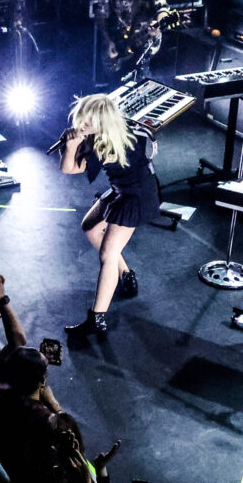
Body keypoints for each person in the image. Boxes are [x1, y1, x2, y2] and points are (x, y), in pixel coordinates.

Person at [58, 94, 155, 338]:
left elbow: (69, 168)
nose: (82, 126)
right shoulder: (116, 128)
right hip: (122, 188)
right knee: (90, 228)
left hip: (135, 196)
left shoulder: (105, 146)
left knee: (107, 254)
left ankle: (97, 319)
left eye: (89, 123)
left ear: (103, 121)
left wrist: (70, 147)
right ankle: (126, 275)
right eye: (83, 120)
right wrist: (75, 143)